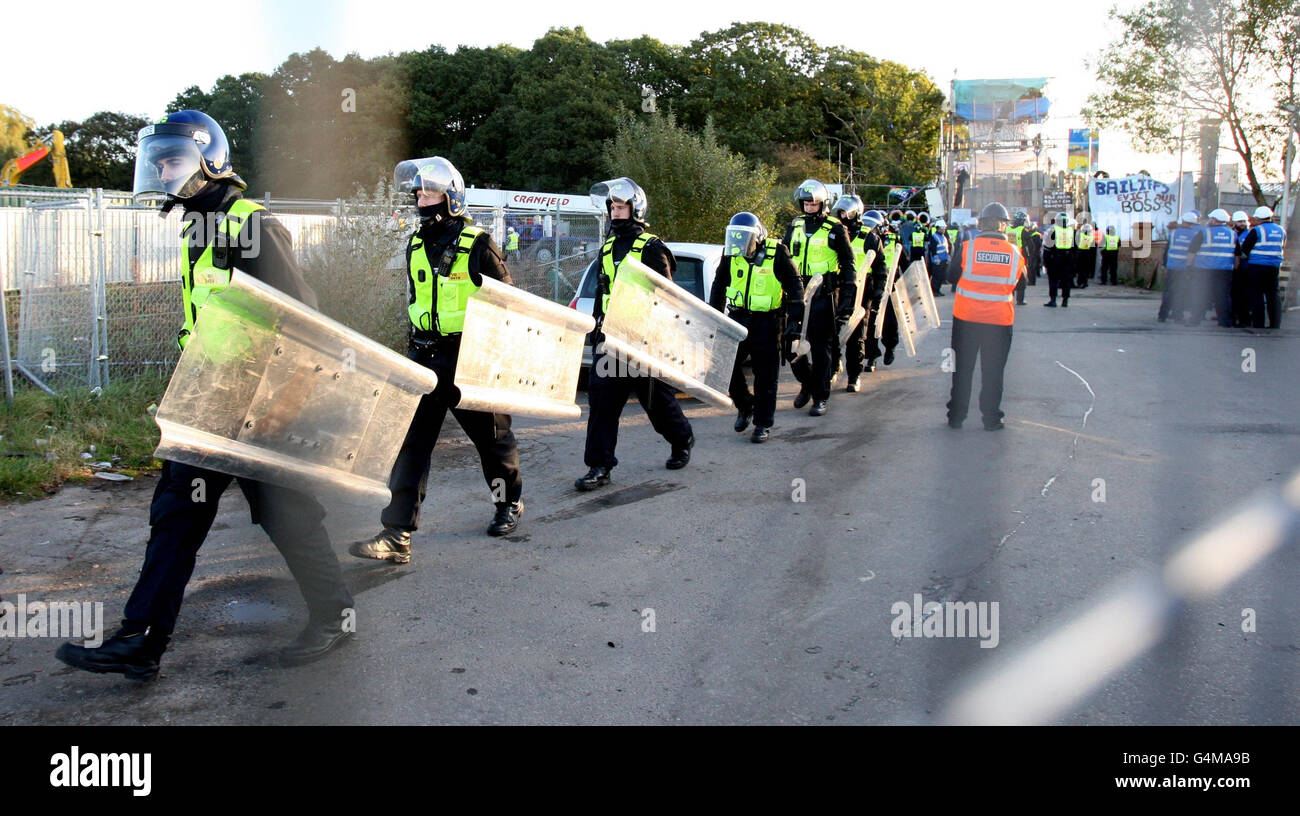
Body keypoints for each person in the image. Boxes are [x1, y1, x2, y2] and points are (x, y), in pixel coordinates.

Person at [56, 111, 355, 680]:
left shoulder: (251, 222)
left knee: (284, 513)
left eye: (174, 160)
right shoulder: (197, 224)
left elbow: (302, 321)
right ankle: (141, 639)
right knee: (177, 514)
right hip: (206, 395)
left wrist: (285, 405)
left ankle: (335, 617)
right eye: (159, 162)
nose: (165, 171)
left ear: (209, 160)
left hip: (257, 403)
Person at [350, 157, 524, 566]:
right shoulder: (414, 244)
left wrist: (498, 358)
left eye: (430, 193)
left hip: (469, 357)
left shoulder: (478, 243)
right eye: (418, 193)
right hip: (424, 355)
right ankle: (397, 534)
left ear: (451, 197)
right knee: (411, 445)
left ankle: (509, 503)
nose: (422, 200)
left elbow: (508, 303)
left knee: (492, 441)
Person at [575, 177, 694, 490]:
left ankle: (682, 439)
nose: (615, 212)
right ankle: (599, 466)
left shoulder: (653, 248)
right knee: (602, 403)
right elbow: (604, 293)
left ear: (635, 208)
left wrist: (664, 339)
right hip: (611, 341)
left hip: (645, 342)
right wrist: (595, 328)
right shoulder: (608, 248)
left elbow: (669, 299)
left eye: (621, 206)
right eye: (612, 206)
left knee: (656, 402)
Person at [709, 212, 804, 442]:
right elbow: (720, 283)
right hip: (738, 318)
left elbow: (794, 286)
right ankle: (745, 405)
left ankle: (763, 424)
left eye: (744, 237)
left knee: (766, 376)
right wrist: (713, 315)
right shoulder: (731, 254)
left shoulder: (777, 253)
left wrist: (795, 321)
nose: (739, 242)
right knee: (724, 364)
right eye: (736, 237)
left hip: (768, 323)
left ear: (757, 236)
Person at [946, 202, 1025, 431]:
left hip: (966, 319)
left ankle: (956, 417)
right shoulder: (1014, 253)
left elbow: (951, 277)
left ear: (981, 224)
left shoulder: (968, 247)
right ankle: (992, 419)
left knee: (961, 369)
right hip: (999, 323)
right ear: (1003, 226)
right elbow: (1021, 284)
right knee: (993, 372)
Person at [784, 179, 856, 416]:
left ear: (823, 204)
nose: (808, 207)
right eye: (805, 203)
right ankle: (808, 383)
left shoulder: (835, 228)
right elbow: (782, 260)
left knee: (820, 348)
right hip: (796, 294)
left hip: (823, 296)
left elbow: (848, 265)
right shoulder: (794, 226)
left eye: (813, 204)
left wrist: (847, 301)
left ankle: (821, 397)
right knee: (790, 346)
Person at [837, 201, 887, 389]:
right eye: (839, 213)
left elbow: (880, 268)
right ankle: (834, 367)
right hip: (836, 291)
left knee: (856, 337)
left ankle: (853, 376)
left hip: (861, 293)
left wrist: (878, 292)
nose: (842, 217)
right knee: (831, 335)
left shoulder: (870, 238)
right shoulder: (833, 233)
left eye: (845, 213)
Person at [1182, 208, 1236, 327]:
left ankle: (1195, 319)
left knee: (1200, 294)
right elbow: (1237, 254)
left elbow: (1192, 251)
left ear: (1214, 220)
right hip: (1225, 270)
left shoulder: (1204, 232)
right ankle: (1225, 321)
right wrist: (1234, 268)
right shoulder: (1233, 234)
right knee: (1222, 296)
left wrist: (1189, 265)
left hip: (1204, 270)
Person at [1238, 205, 1286, 329]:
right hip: (1274, 267)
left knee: (1256, 294)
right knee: (1273, 295)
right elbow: (1282, 246)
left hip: (1256, 266)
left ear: (1258, 218)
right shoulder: (1281, 230)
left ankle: (1258, 323)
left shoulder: (1257, 230)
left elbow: (1245, 250)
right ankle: (1275, 324)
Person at [1159, 213, 1198, 322]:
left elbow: (1167, 250)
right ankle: (1178, 315)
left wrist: (1164, 264)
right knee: (1181, 292)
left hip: (1172, 266)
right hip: (1186, 268)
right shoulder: (1196, 234)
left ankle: (1162, 315)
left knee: (1168, 291)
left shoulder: (1173, 233)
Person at [1043, 213, 1074, 307]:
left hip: (1055, 258)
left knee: (1053, 280)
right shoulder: (1072, 231)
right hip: (1068, 258)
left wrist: (1046, 262)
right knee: (1066, 280)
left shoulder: (1053, 230)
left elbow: (1047, 248)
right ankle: (1065, 301)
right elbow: (1075, 249)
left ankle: (1053, 300)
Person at [927, 218, 951, 297]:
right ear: (938, 228)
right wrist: (935, 258)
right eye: (942, 228)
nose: (944, 230)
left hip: (943, 259)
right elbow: (932, 249)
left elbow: (945, 248)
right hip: (937, 261)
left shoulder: (943, 237)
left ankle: (938, 290)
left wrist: (947, 257)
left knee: (941, 277)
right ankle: (934, 291)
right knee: (936, 277)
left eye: (944, 228)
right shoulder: (934, 237)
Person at [1074, 218, 1096, 288]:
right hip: (1088, 254)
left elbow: (1076, 243)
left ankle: (1080, 282)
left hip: (1081, 253)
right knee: (1085, 270)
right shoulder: (1092, 237)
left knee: (1080, 270)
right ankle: (1085, 282)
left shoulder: (1080, 235)